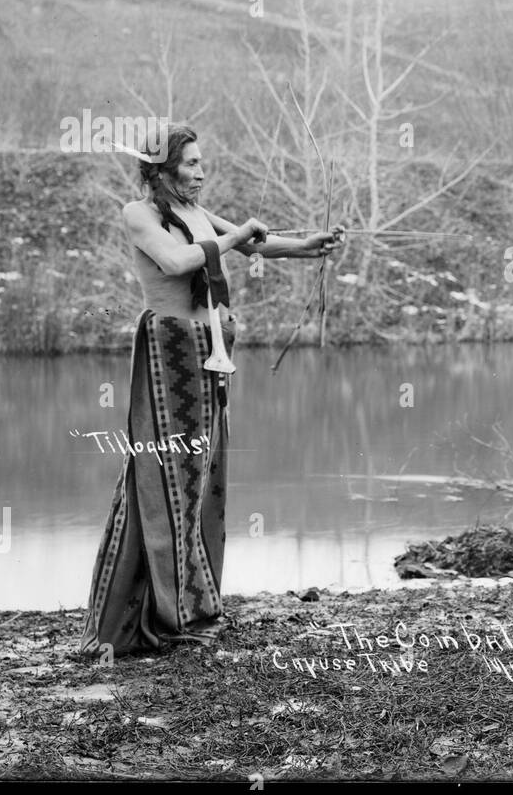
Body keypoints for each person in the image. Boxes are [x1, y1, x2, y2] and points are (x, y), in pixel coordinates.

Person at [79, 123, 343, 656]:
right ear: (163, 169)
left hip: (209, 349)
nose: (201, 172)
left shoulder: (199, 214)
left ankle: (193, 602)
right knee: (166, 473)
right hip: (169, 348)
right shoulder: (141, 214)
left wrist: (309, 246)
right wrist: (235, 234)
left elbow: (256, 248)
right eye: (191, 163)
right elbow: (179, 261)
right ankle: (160, 610)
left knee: (201, 477)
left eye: (202, 162)